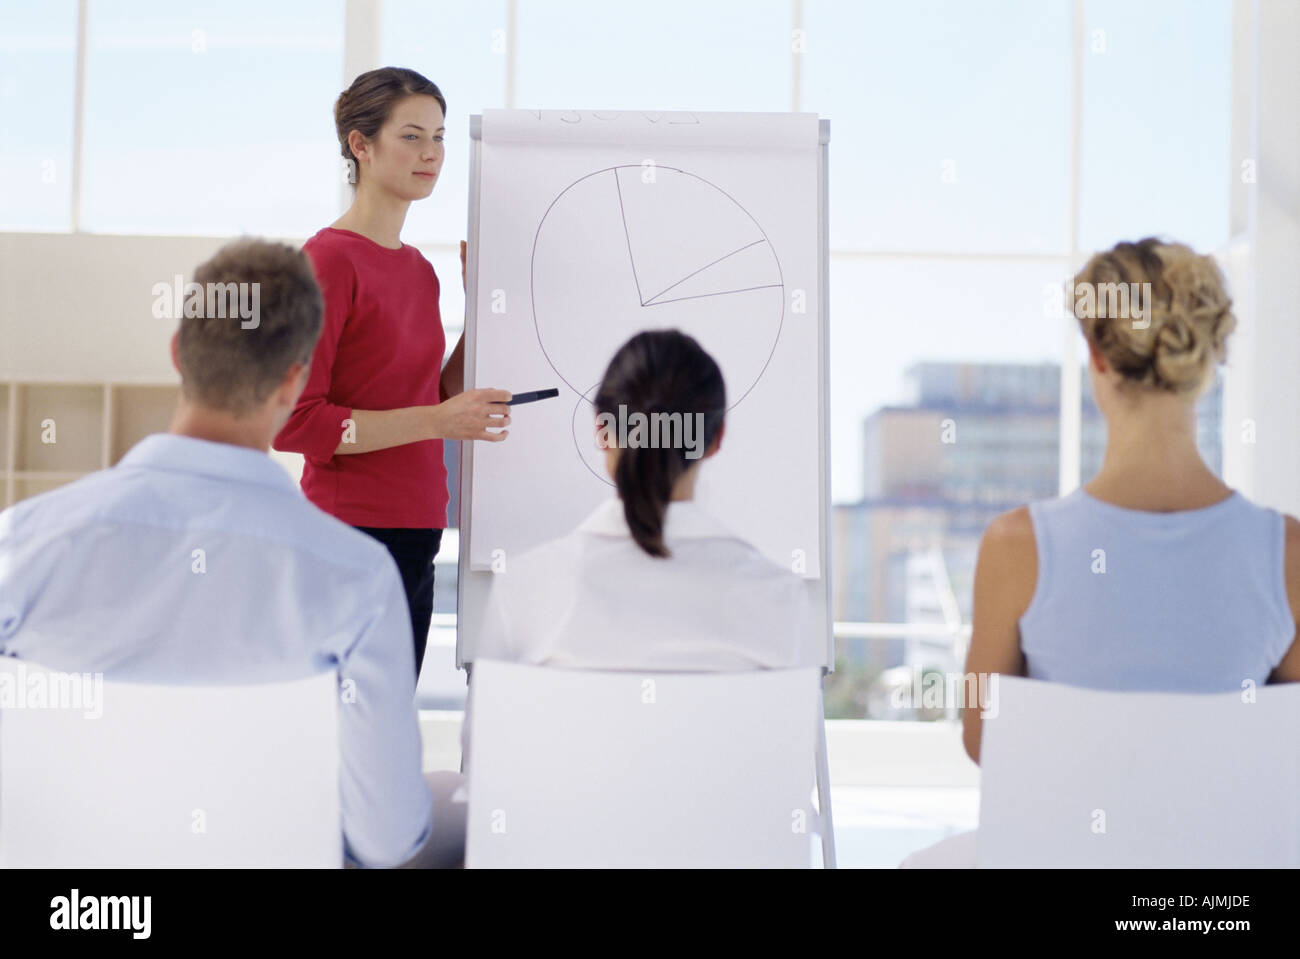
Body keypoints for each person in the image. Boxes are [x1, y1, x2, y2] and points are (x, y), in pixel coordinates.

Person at [0, 239, 460, 868]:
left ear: (177, 354)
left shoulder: (23, 545)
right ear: (293, 382)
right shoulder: (356, 581)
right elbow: (384, 841)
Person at [904, 238, 1300, 867]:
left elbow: (987, 743)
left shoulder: (1017, 548)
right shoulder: (1288, 553)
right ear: (1207, 360)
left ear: (1097, 357)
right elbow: (1287, 756)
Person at [273, 66, 511, 681]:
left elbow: (434, 398)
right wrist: (437, 419)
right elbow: (297, 423)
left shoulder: (419, 272)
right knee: (341, 731)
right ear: (361, 144)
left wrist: (477, 301)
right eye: (411, 136)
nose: (430, 153)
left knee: (384, 723)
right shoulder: (325, 261)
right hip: (348, 534)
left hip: (419, 529)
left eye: (438, 137)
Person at [475, 329, 816, 671]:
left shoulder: (524, 592)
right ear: (716, 439)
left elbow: (490, 725)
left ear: (602, 431)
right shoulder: (780, 600)